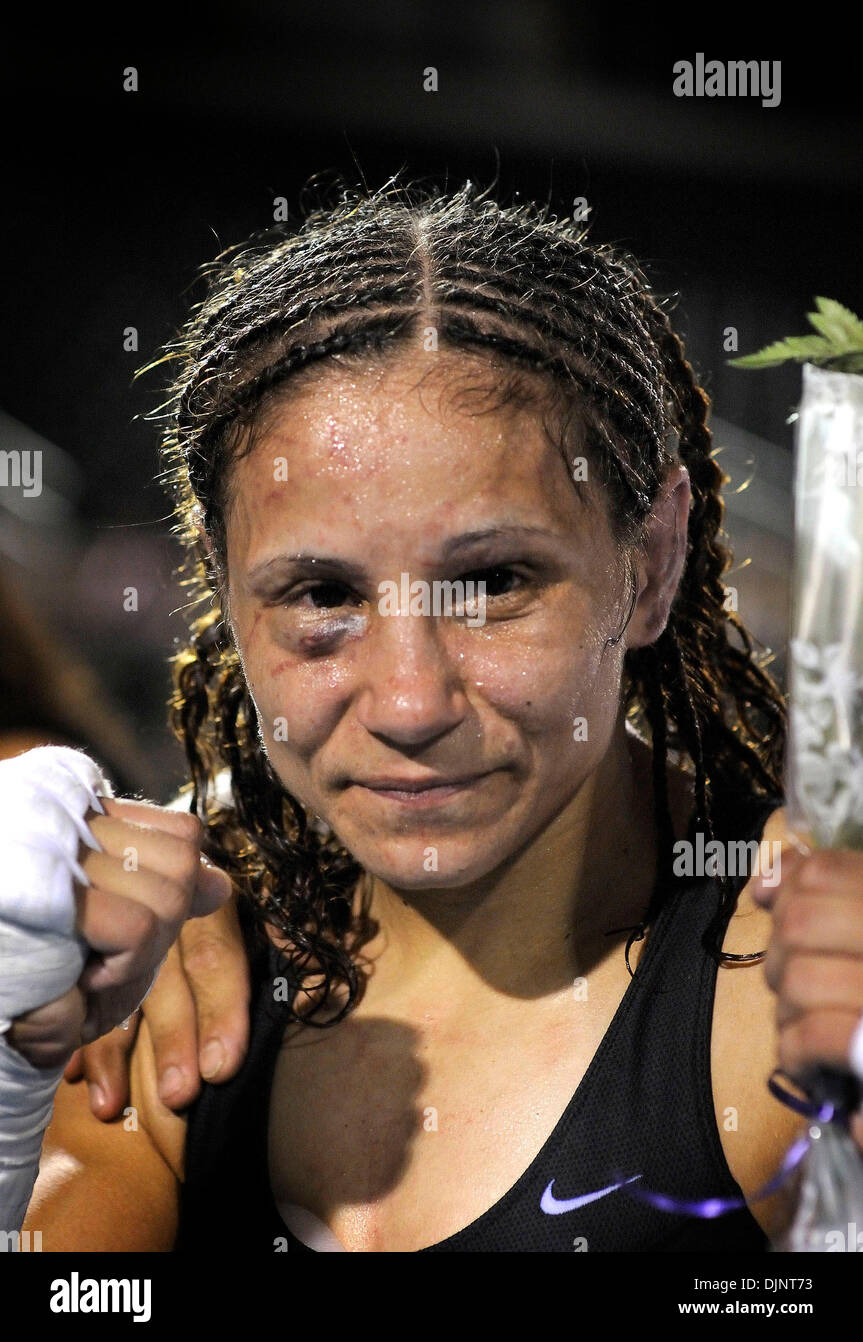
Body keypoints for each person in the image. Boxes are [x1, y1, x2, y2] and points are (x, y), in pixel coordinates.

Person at [9, 179, 863, 1252]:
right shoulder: (167, 971)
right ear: (221, 590)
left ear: (648, 564)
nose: (410, 702)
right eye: (322, 595)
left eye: (495, 580)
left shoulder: (787, 980)